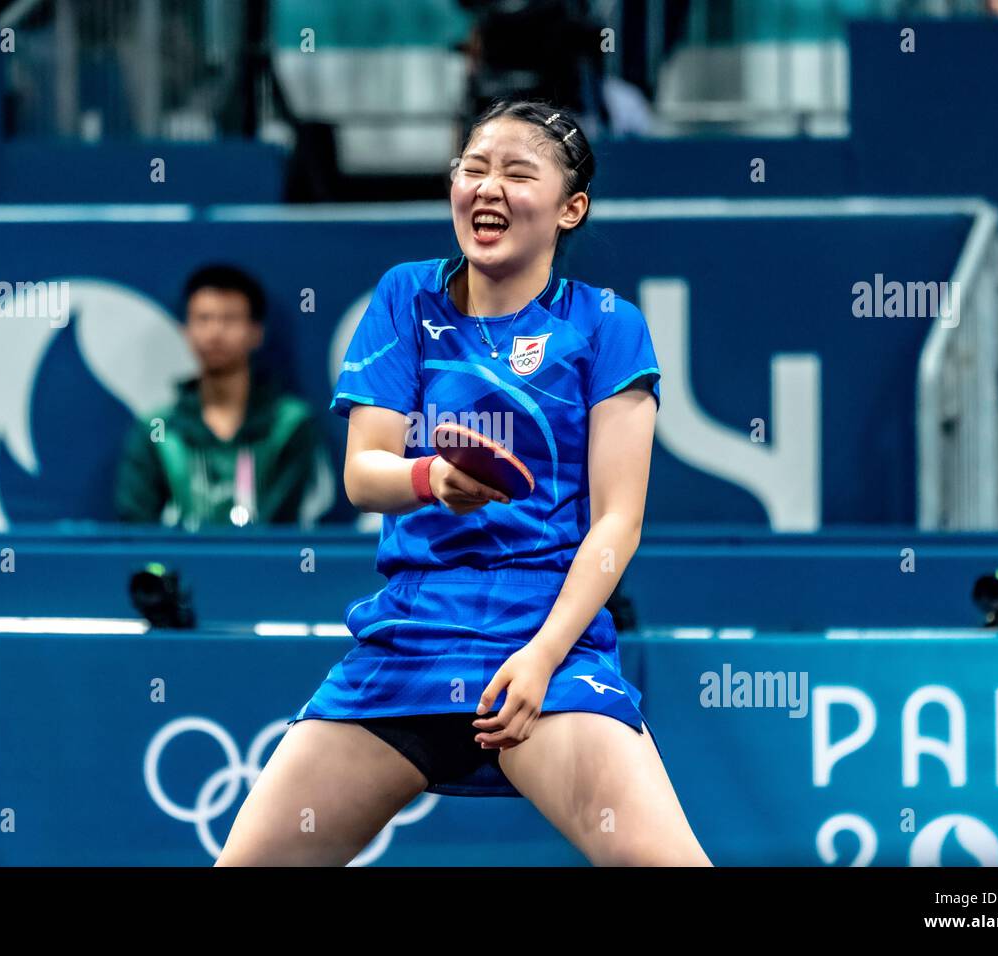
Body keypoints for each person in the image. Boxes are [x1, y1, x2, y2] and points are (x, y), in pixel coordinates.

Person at [214, 99, 711, 867]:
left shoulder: (609, 326)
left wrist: (544, 658)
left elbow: (618, 524)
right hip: (408, 641)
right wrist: (431, 477)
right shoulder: (406, 299)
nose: (487, 188)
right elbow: (362, 473)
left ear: (570, 208)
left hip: (545, 641)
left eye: (518, 173)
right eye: (473, 169)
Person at [114, 264, 333, 530]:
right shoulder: (157, 427)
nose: (215, 333)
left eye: (229, 319)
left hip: (265, 569)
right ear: (186, 330)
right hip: (178, 569)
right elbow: (137, 527)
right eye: (203, 319)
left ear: (256, 333)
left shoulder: (292, 423)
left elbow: (282, 526)